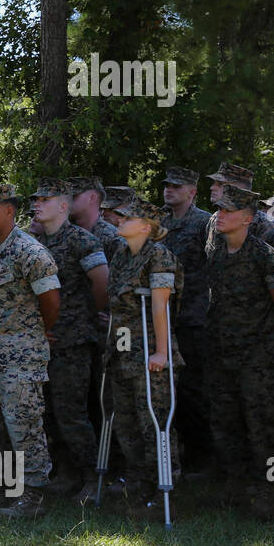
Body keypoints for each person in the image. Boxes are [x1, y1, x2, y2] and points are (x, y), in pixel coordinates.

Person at [0, 183, 61, 519]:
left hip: (20, 356)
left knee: (24, 426)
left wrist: (38, 332)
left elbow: (51, 301)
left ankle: (33, 494)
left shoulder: (30, 252)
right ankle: (0, 485)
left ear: (9, 210)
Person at [205, 186, 274, 520]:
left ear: (248, 218)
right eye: (219, 211)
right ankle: (235, 485)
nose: (220, 216)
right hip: (221, 354)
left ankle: (270, 488)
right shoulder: (215, 252)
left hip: (257, 358)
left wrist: (262, 343)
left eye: (228, 211)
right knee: (226, 423)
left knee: (264, 427)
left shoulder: (265, 256)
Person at [104, 196, 182, 519]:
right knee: (126, 422)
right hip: (121, 350)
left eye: (127, 218)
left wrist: (162, 352)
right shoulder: (120, 254)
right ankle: (136, 485)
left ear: (146, 227)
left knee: (155, 423)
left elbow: (161, 307)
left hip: (149, 351)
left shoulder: (159, 256)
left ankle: (163, 491)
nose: (119, 221)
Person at [31, 179, 108, 503]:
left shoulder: (81, 241)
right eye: (35, 199)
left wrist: (89, 315)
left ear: (63, 206)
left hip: (73, 340)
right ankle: (65, 473)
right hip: (41, 340)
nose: (36, 204)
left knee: (72, 413)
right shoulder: (32, 241)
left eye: (44, 199)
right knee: (47, 412)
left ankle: (92, 477)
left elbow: (102, 283)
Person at [160, 165, 213, 474]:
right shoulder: (161, 224)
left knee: (195, 390)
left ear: (192, 192)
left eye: (176, 186)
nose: (169, 190)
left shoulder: (205, 223)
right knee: (170, 390)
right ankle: (179, 453)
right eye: (167, 185)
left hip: (194, 318)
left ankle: (203, 456)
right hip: (165, 319)